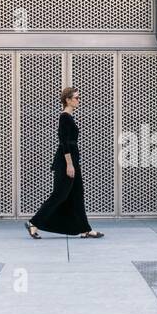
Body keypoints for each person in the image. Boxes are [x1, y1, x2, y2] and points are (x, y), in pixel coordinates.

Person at [25, 86, 104, 239]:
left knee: (78, 195)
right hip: (66, 163)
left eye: (79, 97)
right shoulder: (64, 117)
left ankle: (85, 229)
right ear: (68, 100)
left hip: (73, 161)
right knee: (59, 195)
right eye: (76, 97)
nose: (79, 100)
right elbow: (64, 143)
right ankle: (33, 223)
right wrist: (69, 164)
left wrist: (73, 163)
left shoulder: (70, 117)